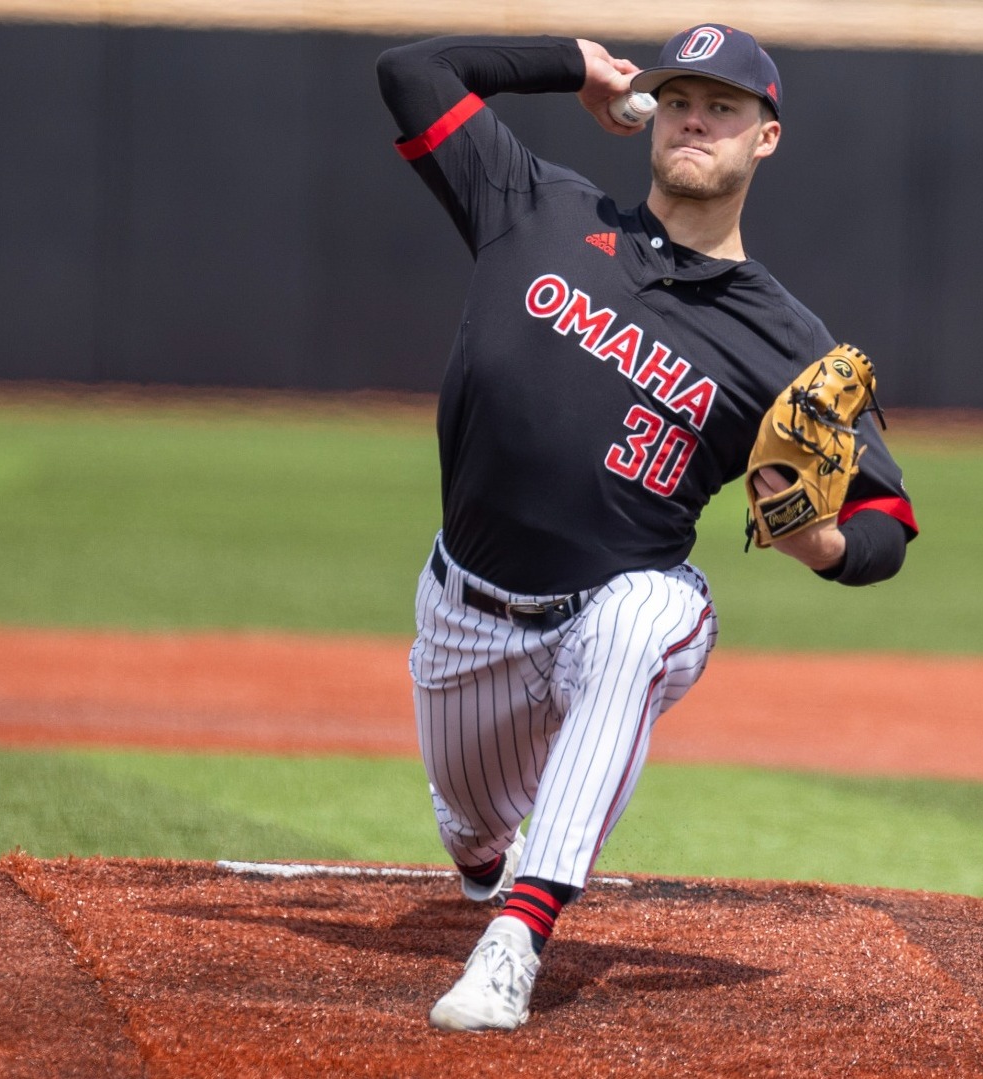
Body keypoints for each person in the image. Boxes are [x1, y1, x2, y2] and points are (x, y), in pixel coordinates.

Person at [374, 26, 918, 1031]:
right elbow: (412, 74)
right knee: (471, 825)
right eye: (679, 100)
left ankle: (516, 940)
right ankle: (486, 858)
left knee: (649, 611)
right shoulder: (532, 208)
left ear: (767, 138)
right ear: (649, 116)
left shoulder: (787, 344)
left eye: (724, 106)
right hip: (465, 617)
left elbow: (888, 514)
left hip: (612, 608)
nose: (695, 118)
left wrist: (822, 544)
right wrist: (572, 63)